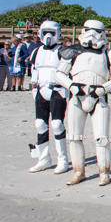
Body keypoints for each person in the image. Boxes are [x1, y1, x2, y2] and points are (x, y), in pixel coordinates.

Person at [55, 20, 111, 185]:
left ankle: (104, 172)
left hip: (98, 97)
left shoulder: (109, 54)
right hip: (77, 96)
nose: (92, 35)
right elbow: (59, 74)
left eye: (96, 31)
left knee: (102, 138)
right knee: (74, 137)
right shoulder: (72, 51)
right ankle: (78, 171)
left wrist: (102, 89)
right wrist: (71, 86)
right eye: (89, 31)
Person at [27, 21, 70, 174]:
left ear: (57, 33)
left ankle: (62, 159)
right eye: (45, 32)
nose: (48, 36)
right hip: (40, 90)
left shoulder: (63, 51)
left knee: (57, 124)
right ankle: (44, 159)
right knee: (40, 124)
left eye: (51, 32)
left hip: (57, 91)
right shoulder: (36, 52)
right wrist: (34, 89)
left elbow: (67, 73)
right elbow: (33, 71)